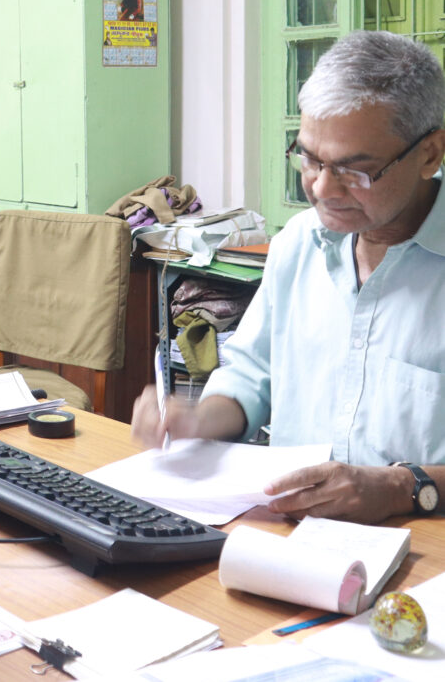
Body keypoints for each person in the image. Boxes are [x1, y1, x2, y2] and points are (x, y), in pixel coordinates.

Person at [131, 30, 445, 524]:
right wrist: (199, 418)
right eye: (310, 158)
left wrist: (398, 488)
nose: (321, 188)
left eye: (355, 171)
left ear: (429, 153)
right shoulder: (299, 244)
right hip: (290, 539)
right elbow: (251, 374)